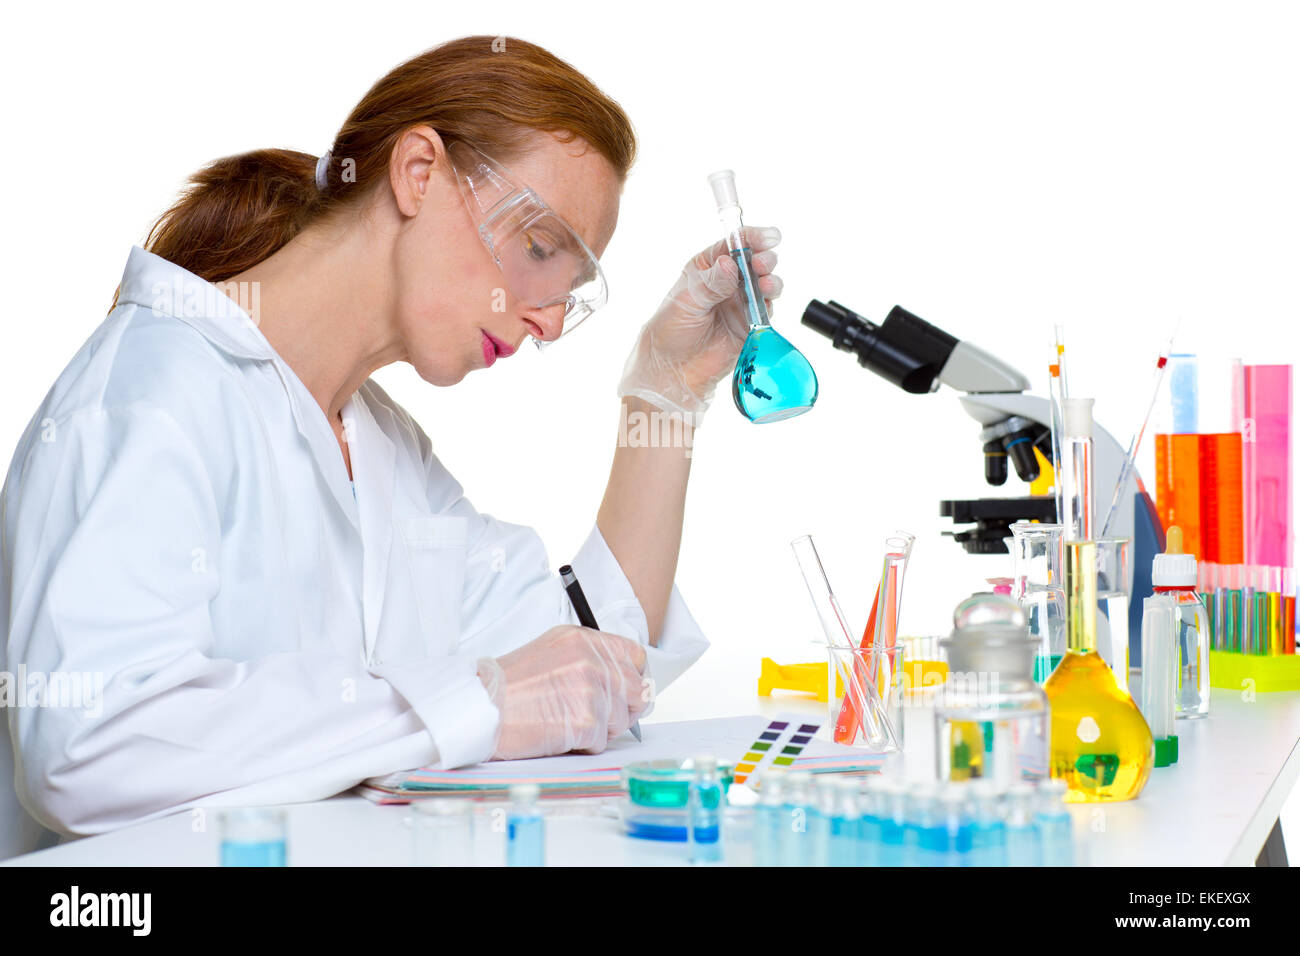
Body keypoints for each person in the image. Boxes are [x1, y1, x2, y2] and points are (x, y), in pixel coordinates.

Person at [0, 35, 782, 858]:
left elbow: (582, 661)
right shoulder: (149, 394)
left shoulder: (377, 443)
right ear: (419, 173)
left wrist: (664, 393)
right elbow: (90, 749)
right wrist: (470, 704)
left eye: (572, 289)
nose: (550, 318)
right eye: (543, 248)